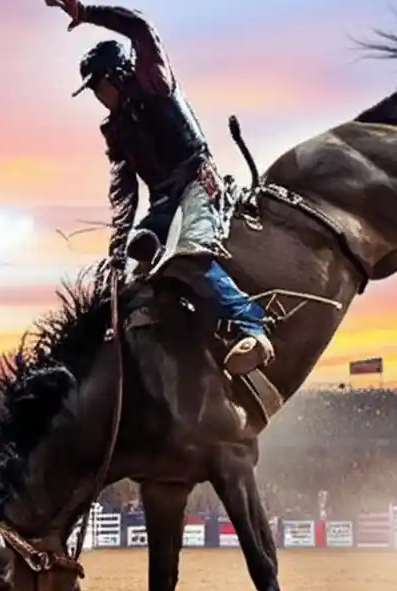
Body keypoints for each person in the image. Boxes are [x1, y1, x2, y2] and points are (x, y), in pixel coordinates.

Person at [42, 0, 274, 375]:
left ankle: (251, 326)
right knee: (138, 266)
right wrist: (118, 253)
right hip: (162, 203)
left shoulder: (153, 78)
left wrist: (85, 12)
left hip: (198, 181)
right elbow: (125, 193)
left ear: (117, 75)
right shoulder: (115, 129)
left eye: (99, 86)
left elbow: (139, 27)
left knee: (188, 254)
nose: (99, 96)